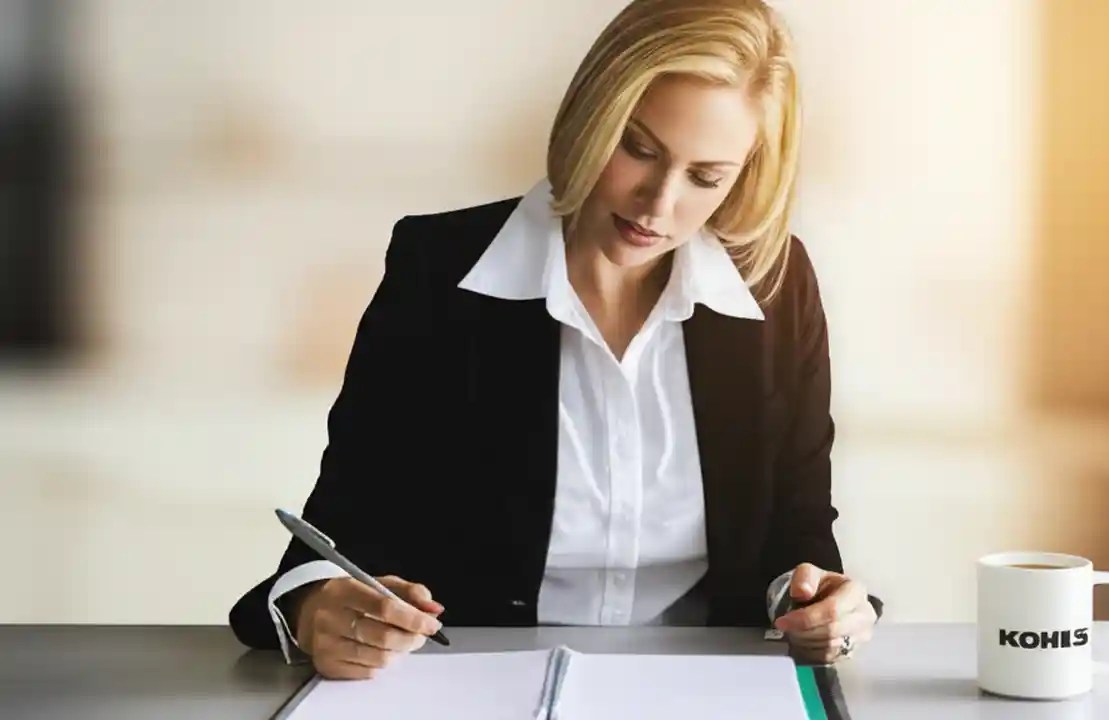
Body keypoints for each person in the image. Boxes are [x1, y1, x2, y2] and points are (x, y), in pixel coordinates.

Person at [229, 0, 883, 680]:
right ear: (590, 117)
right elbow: (338, 537)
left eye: (706, 177)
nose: (659, 204)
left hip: (702, 692)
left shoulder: (776, 288)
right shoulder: (441, 272)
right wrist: (318, 612)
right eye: (638, 148)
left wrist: (821, 606)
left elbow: (798, 538)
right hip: (475, 691)